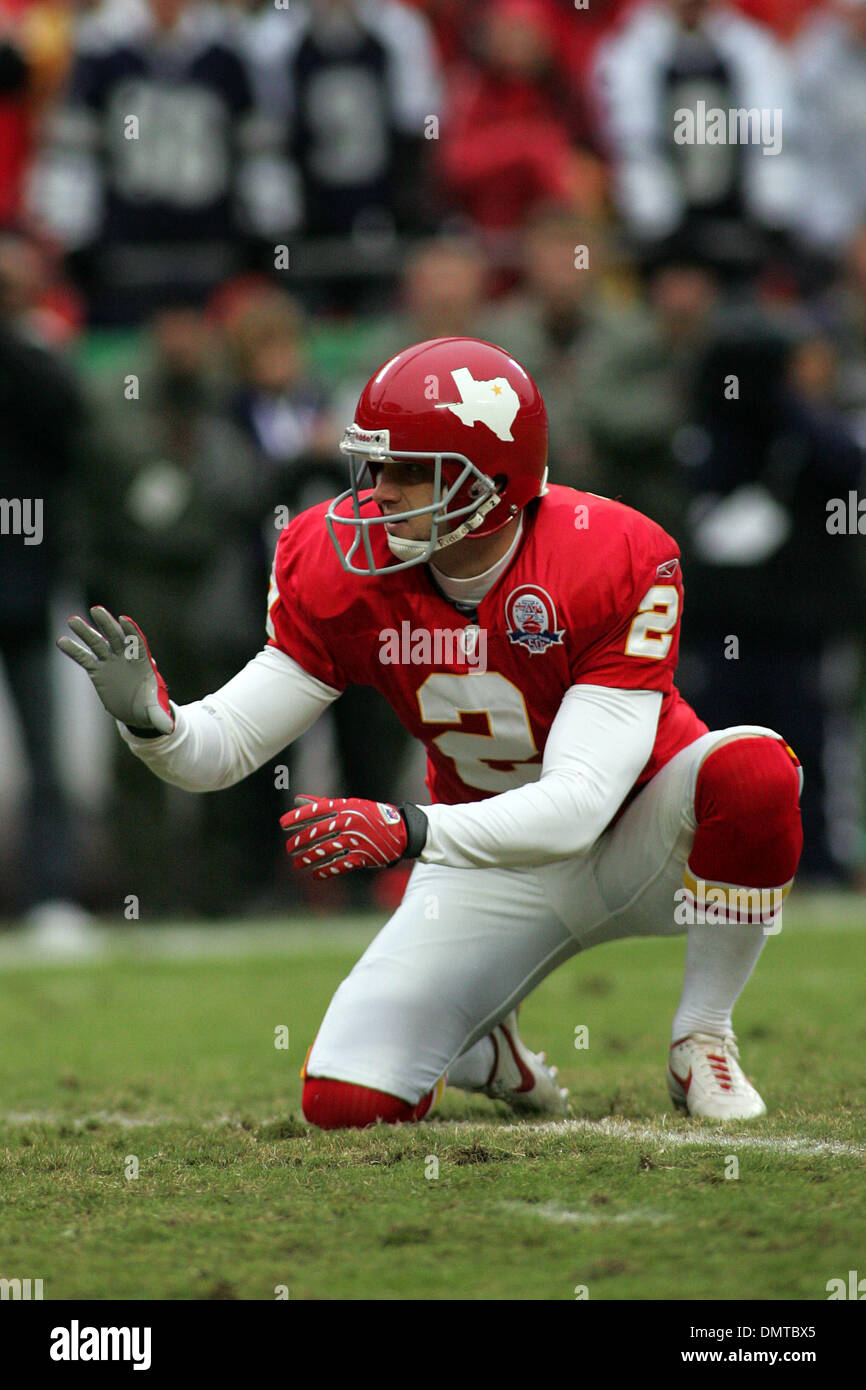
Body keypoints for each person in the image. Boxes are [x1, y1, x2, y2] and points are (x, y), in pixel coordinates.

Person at [58, 337, 804, 1127]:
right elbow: (224, 748)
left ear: (491, 482)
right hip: (488, 857)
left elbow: (583, 801)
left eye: (412, 470)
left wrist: (405, 828)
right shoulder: (342, 565)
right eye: (376, 467)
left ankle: (702, 1038)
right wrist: (153, 720)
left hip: (645, 837)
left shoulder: (607, 553)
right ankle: (486, 1046)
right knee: (345, 1103)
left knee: (754, 771)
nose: (380, 492)